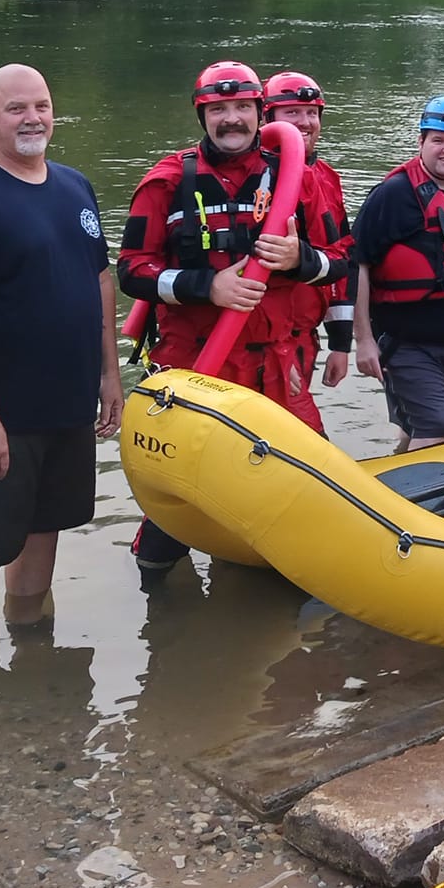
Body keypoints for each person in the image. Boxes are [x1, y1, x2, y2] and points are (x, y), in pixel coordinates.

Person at [0, 65, 123, 638]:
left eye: (40, 105)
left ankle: (32, 642)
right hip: (1, 416)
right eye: (16, 108)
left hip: (67, 403)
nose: (32, 118)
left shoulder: (75, 186)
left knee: (47, 528)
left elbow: (100, 282)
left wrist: (109, 377)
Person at [117, 60, 327, 583]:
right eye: (219, 110)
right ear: (201, 115)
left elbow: (341, 258)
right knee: (177, 502)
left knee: (305, 482)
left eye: (242, 108)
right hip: (196, 368)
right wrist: (205, 286)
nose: (231, 120)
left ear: (260, 113)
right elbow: (132, 271)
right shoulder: (166, 182)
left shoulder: (297, 180)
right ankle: (164, 618)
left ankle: (276, 582)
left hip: (277, 370)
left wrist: (301, 259)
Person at [352, 96, 444, 448]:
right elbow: (356, 261)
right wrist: (363, 341)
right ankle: (421, 504)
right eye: (438, 140)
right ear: (421, 142)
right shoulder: (393, 194)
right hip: (410, 344)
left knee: (429, 428)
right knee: (434, 428)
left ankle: (397, 477)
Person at [263, 70, 356, 404]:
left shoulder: (327, 177)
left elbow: (342, 259)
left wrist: (341, 344)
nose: (305, 122)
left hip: (304, 339)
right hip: (264, 343)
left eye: (312, 113)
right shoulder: (255, 178)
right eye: (293, 113)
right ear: (267, 118)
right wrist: (270, 349)